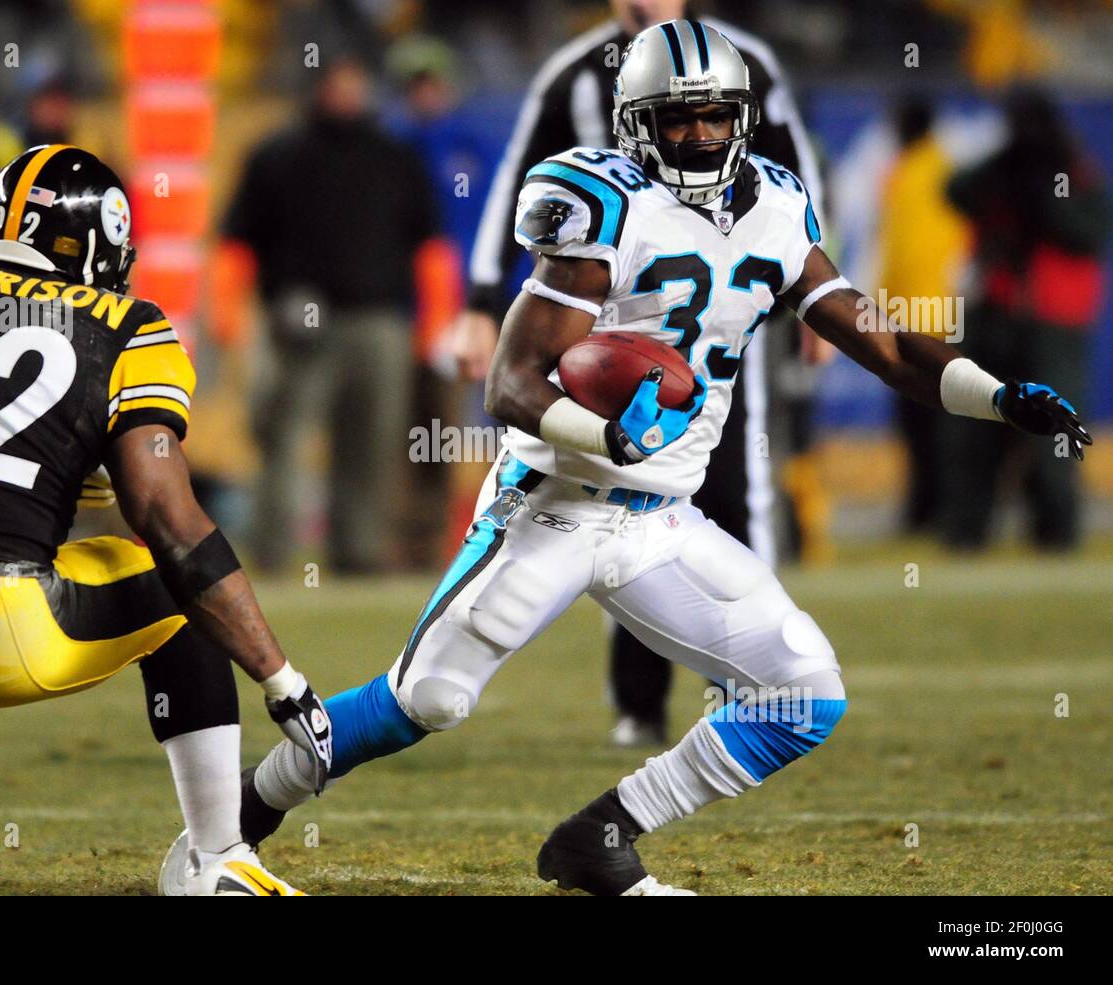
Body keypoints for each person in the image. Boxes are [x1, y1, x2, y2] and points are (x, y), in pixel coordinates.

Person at [164, 20, 1090, 897]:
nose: (696, 135)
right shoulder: (603, 204)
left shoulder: (775, 204)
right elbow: (512, 385)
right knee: (430, 700)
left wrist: (996, 395)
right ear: (634, 126)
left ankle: (602, 835)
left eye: (714, 116)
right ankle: (249, 805)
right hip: (552, 502)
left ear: (742, 118)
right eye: (675, 118)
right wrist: (611, 435)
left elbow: (881, 343)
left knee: (803, 691)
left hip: (660, 521)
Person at [0, 144, 333, 897]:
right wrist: (280, 677)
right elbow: (168, 520)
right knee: (175, 589)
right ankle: (217, 855)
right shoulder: (128, 327)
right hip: (7, 634)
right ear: (97, 247)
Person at [453, 0, 825, 747]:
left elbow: (797, 176)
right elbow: (515, 184)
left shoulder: (740, 60)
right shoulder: (573, 73)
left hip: (714, 314)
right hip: (613, 322)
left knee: (734, 491)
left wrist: (814, 290)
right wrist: (480, 300)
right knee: (618, 503)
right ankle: (640, 700)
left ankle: (745, 682)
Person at [221, 57, 441, 574]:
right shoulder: (276, 154)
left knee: (371, 442)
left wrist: (436, 321)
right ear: (316, 87)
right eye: (335, 82)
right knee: (284, 437)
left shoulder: (394, 155)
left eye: (354, 81)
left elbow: (428, 244)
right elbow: (238, 241)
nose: (345, 91)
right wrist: (227, 315)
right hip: (301, 318)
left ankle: (358, 554)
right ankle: (272, 553)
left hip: (379, 320)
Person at [941, 86, 1109, 550]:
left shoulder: (1074, 174)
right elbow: (955, 191)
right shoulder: (1003, 171)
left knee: (1053, 430)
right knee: (979, 424)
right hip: (999, 313)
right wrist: (1008, 172)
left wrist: (1046, 199)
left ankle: (1056, 532)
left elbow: (1091, 231)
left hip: (1053, 322)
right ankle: (968, 532)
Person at [876, 97, 969, 534]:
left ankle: (934, 509)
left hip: (921, 313)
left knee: (929, 421)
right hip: (928, 311)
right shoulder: (939, 169)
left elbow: (899, 250)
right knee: (927, 419)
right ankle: (930, 508)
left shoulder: (920, 173)